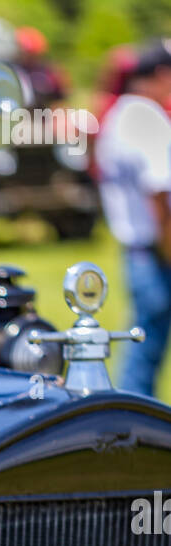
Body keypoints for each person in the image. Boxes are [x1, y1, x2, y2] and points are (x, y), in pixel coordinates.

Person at [95, 42, 171, 395]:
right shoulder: (147, 118)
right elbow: (158, 192)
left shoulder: (120, 115)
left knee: (144, 345)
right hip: (158, 247)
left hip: (139, 247)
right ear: (161, 74)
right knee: (145, 352)